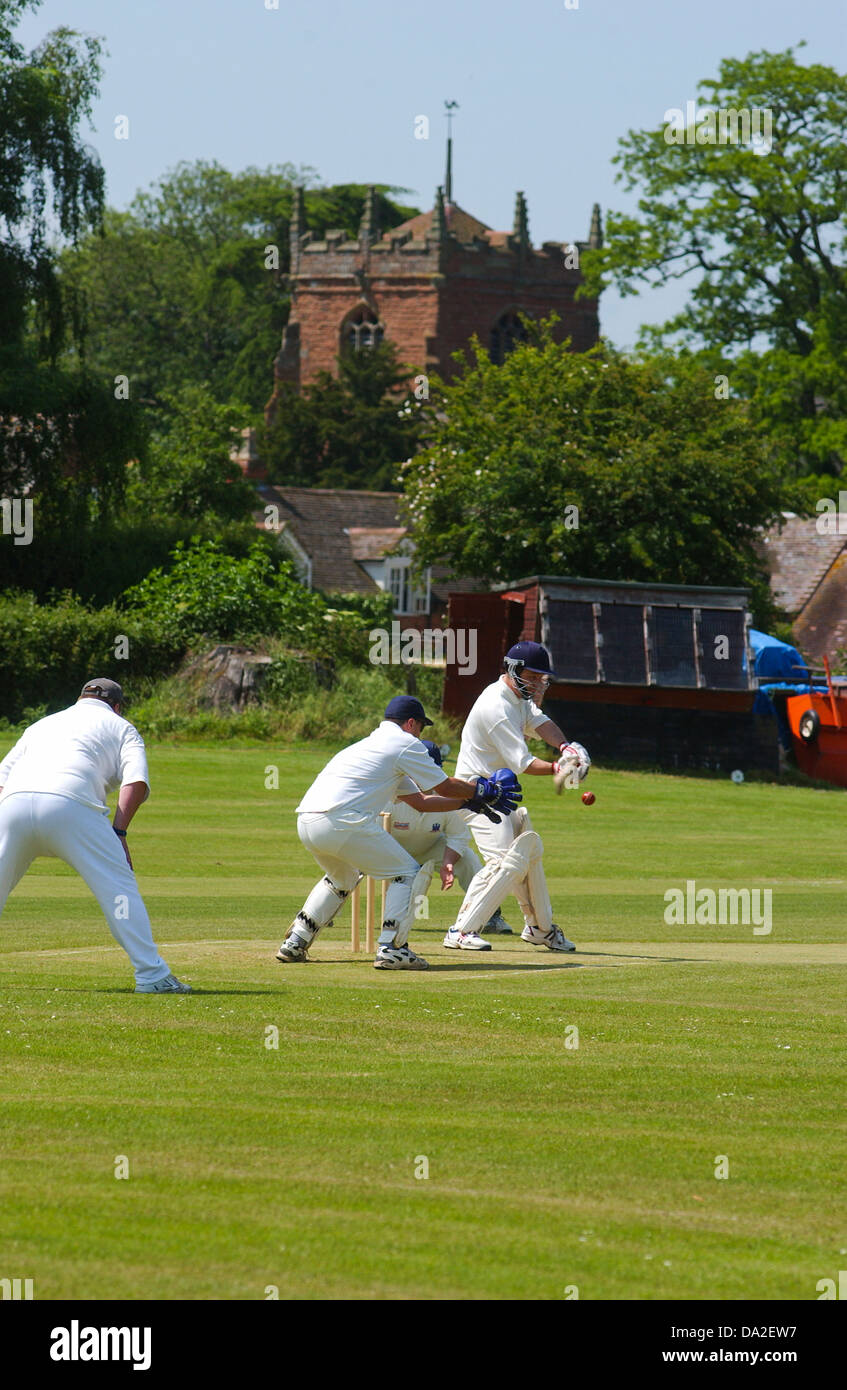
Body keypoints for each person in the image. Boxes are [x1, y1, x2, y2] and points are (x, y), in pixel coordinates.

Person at [275, 695, 521, 971]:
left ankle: (296, 940)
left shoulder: (370, 746)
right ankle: (392, 948)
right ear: (411, 723)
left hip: (308, 821)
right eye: (421, 728)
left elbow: (421, 802)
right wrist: (484, 791)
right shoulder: (405, 744)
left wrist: (469, 802)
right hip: (342, 821)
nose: (420, 735)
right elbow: (444, 786)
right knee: (406, 872)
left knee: (340, 879)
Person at [0, 679, 190, 993]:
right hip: (71, 805)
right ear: (117, 706)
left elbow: (2, 779)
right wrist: (119, 831)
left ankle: (153, 976)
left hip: (13, 804)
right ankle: (152, 976)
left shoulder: (41, 724)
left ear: (80, 698)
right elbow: (136, 783)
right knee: (119, 892)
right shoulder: (122, 727)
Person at [445, 641, 590, 953]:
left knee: (527, 856)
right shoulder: (496, 707)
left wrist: (566, 749)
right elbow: (522, 764)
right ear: (512, 669)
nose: (537, 684)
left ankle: (540, 928)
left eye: (542, 678)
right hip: (475, 795)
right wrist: (558, 767)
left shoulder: (518, 698)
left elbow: (540, 723)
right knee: (502, 864)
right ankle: (461, 930)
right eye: (532, 676)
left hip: (500, 795)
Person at [386, 740, 512, 950]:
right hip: (392, 850)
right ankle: (326, 909)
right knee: (354, 861)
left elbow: (458, 835)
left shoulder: (448, 795)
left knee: (469, 860)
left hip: (431, 848)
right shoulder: (392, 795)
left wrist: (448, 863)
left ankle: (489, 916)